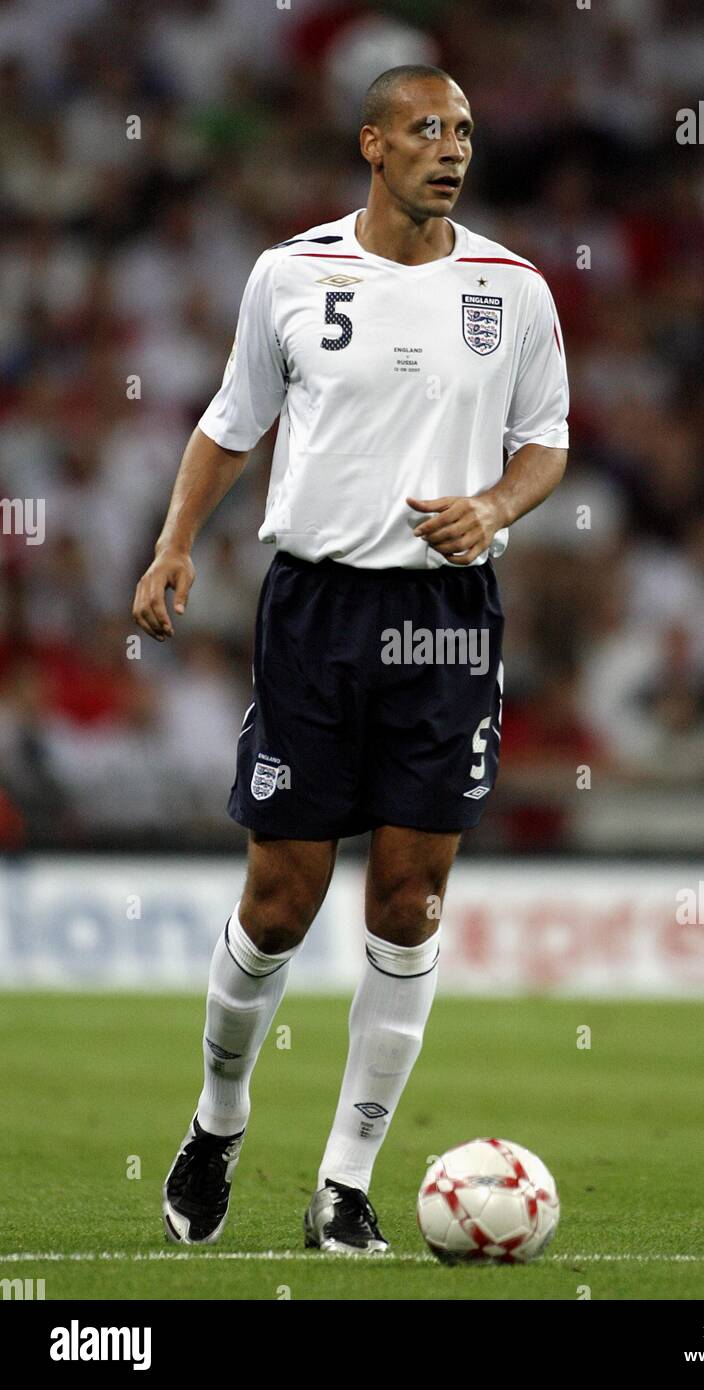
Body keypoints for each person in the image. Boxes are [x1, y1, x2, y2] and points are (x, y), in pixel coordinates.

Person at [132, 64, 569, 1255]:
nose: (452, 148)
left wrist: (494, 507)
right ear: (370, 143)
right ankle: (219, 1119)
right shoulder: (291, 274)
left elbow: (547, 442)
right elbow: (231, 423)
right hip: (315, 615)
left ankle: (343, 1183)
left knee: (410, 896)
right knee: (279, 901)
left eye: (468, 130)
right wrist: (175, 545)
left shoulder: (513, 289)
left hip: (447, 620)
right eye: (428, 128)